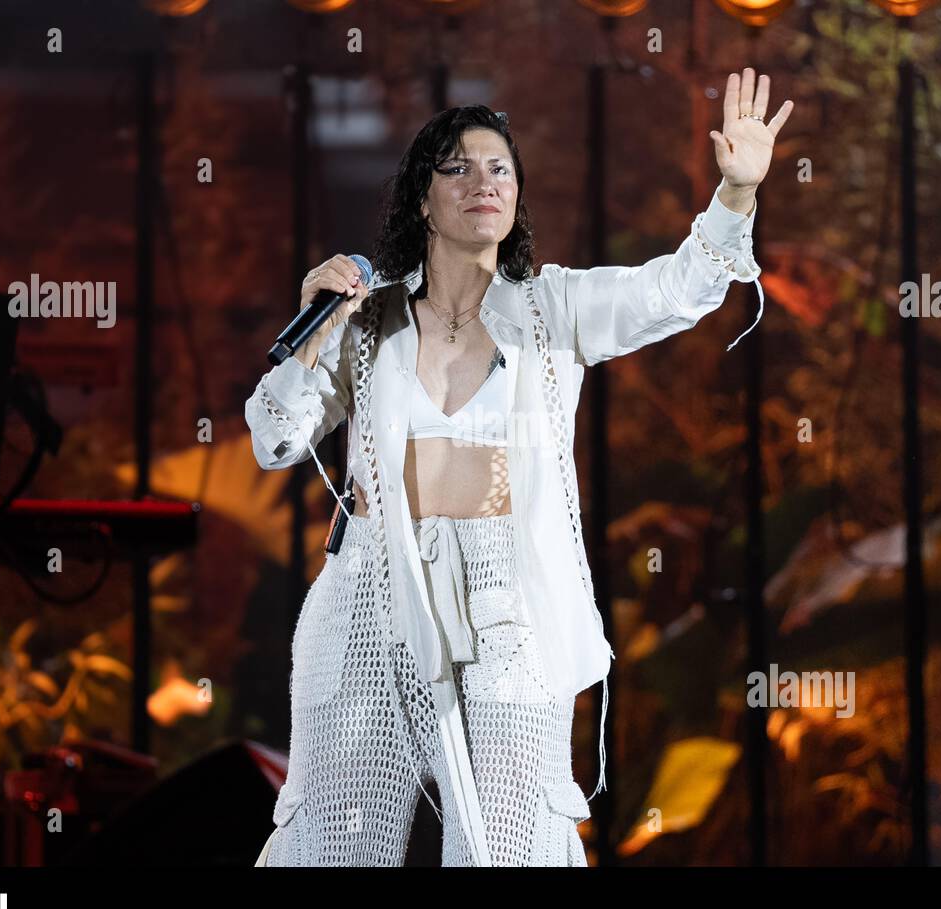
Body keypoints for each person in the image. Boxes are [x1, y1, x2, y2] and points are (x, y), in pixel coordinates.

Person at [246, 69, 793, 866]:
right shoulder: (367, 319)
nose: (483, 181)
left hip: (503, 600)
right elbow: (274, 438)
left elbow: (677, 290)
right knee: (335, 841)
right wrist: (318, 333)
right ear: (420, 200)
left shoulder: (552, 308)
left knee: (509, 843)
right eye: (458, 167)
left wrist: (736, 193)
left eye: (499, 166)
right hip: (366, 594)